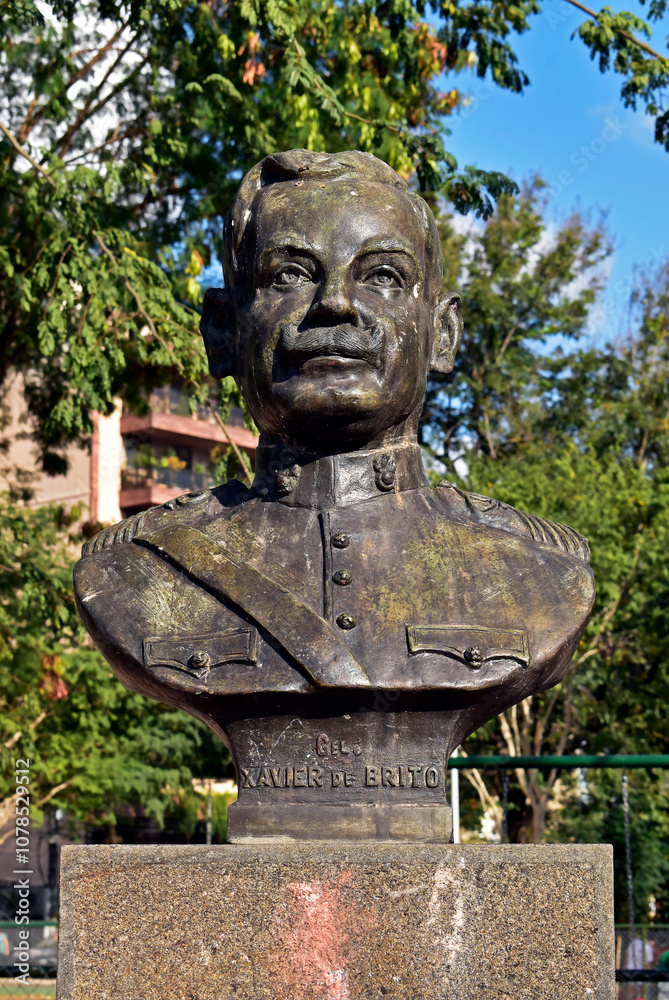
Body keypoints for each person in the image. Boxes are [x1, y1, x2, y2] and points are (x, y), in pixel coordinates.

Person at [74, 151, 595, 834]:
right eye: (289, 274)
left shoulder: (540, 572)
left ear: (442, 335)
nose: (336, 304)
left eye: (382, 277)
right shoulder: (130, 572)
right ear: (223, 331)